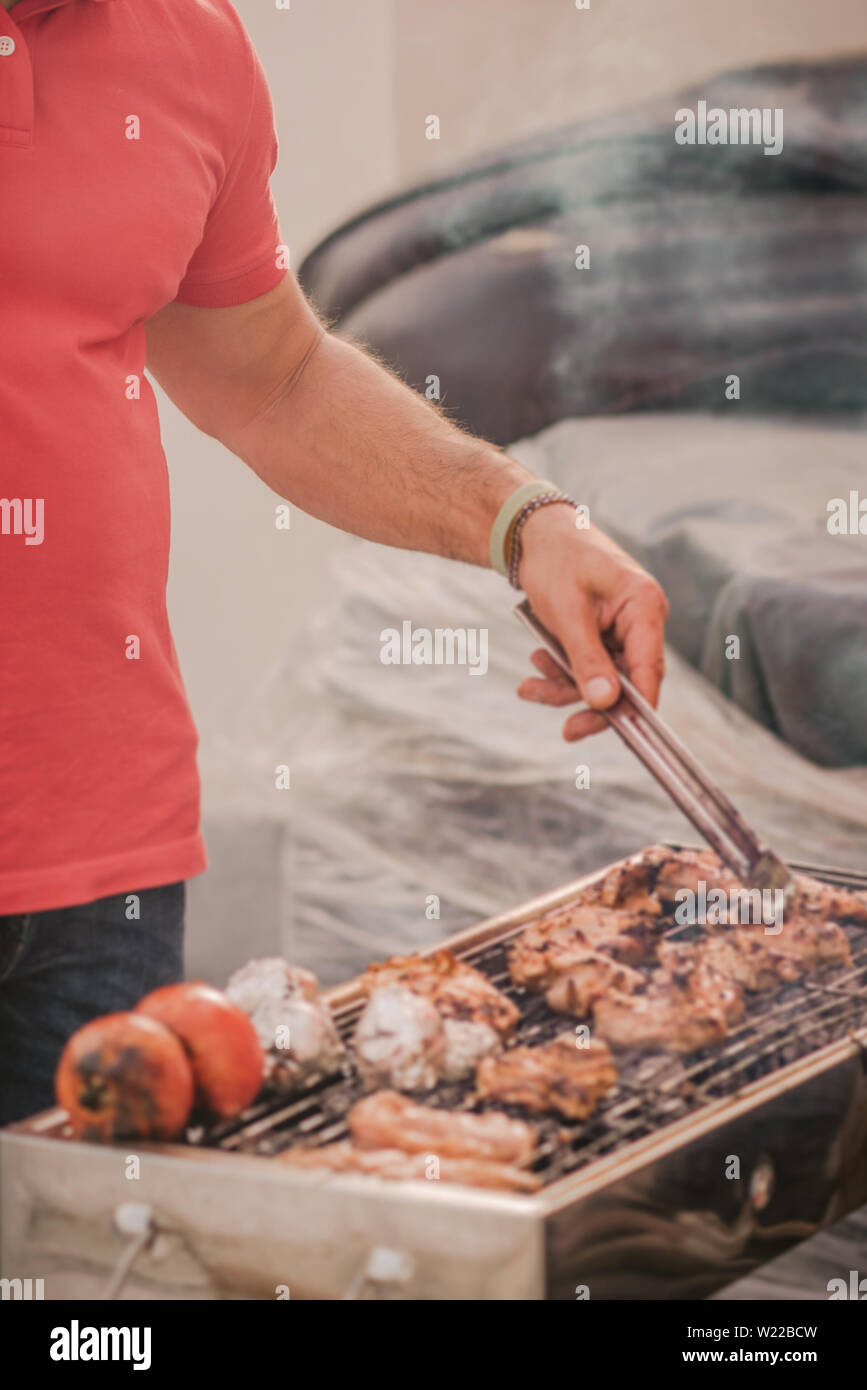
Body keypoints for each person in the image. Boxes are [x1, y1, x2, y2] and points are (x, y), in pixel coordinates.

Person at [0, 0, 667, 1124]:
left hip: (99, 861)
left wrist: (525, 519)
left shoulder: (185, 41)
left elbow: (275, 379)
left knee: (90, 1277)